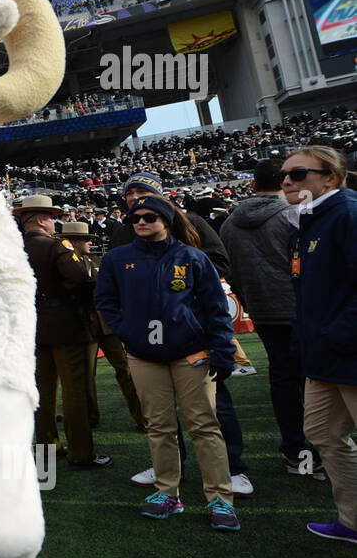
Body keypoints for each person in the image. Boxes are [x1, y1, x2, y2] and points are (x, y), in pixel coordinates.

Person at [94, 194, 241, 531]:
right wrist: (129, 331)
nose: (141, 222)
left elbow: (216, 308)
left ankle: (220, 498)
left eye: (149, 217)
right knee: (159, 427)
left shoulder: (193, 257)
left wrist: (223, 349)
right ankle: (167, 493)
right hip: (144, 355)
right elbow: (105, 301)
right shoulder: (117, 259)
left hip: (192, 352)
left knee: (203, 425)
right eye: (135, 218)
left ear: (167, 220)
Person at [220, 157, 320, 478]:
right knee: (313, 381)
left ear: (252, 185)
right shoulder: (295, 215)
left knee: (283, 379)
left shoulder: (229, 223)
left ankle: (296, 452)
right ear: (283, 181)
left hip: (262, 310)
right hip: (300, 308)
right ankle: (313, 453)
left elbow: (230, 272)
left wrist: (249, 299)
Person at [282, 146, 357, 553]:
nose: (288, 182)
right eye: (284, 176)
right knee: (323, 434)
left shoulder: (347, 213)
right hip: (325, 355)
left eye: (298, 174)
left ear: (331, 177)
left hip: (347, 350)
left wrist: (335, 334)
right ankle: (353, 522)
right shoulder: (308, 222)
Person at [17, 196, 109, 468]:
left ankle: (47, 447)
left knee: (42, 392)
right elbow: (82, 276)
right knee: (74, 391)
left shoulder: (13, 248)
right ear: (40, 219)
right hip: (67, 325)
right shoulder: (57, 247)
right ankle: (81, 453)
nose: (55, 222)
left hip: (32, 325)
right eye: (51, 217)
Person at [62, 220, 145, 431]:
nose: (90, 242)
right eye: (86, 239)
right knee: (86, 376)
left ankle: (143, 417)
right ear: (72, 241)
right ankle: (90, 417)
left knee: (126, 370)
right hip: (82, 324)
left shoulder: (98, 260)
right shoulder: (62, 262)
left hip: (107, 324)